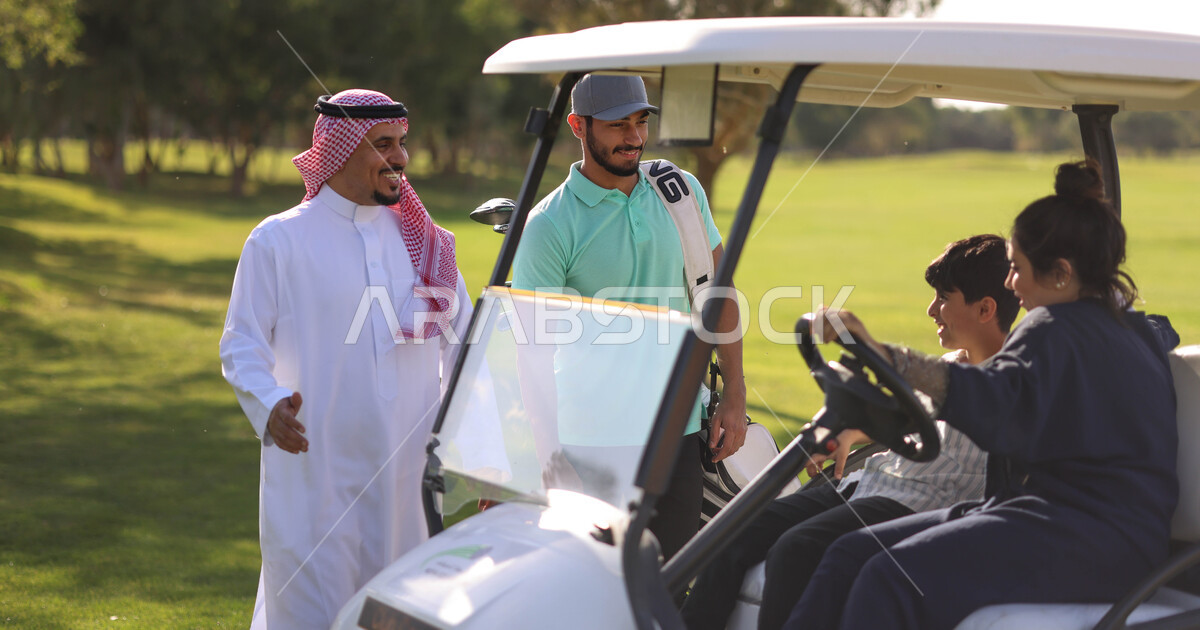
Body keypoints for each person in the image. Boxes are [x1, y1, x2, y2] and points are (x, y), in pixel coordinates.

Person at [787, 160, 1180, 630]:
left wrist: (881, 354)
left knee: (887, 580)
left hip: (1083, 537)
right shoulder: (1134, 328)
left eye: (1017, 269)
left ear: (1061, 273)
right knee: (849, 554)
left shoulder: (1052, 328)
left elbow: (992, 397)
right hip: (1093, 530)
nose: (1011, 284)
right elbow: (1159, 330)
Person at [219, 89, 473, 629]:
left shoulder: (426, 244)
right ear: (341, 151)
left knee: (400, 615)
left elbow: (464, 345)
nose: (401, 158)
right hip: (316, 480)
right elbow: (241, 342)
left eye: (402, 143)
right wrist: (268, 407)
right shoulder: (278, 240)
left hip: (406, 481)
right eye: (384, 145)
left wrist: (469, 443)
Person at [681, 234, 1017, 630]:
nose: (931, 309)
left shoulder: (1007, 381)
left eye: (944, 298)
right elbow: (905, 418)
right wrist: (849, 431)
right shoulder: (950, 363)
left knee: (796, 550)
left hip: (921, 504)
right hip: (875, 482)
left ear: (985, 309)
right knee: (738, 527)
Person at [510, 73, 747, 560]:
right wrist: (551, 456)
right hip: (592, 445)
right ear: (578, 126)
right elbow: (531, 352)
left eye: (641, 122)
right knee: (598, 589)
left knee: (671, 582)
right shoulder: (550, 225)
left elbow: (720, 295)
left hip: (676, 432)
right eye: (618, 125)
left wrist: (735, 395)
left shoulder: (681, 193)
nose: (635, 137)